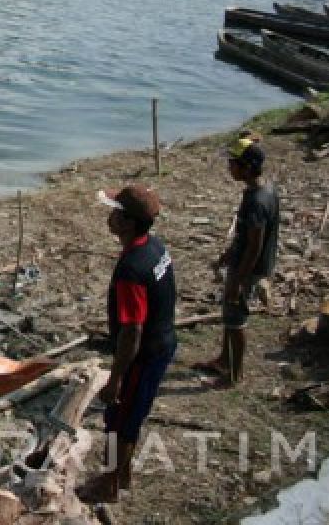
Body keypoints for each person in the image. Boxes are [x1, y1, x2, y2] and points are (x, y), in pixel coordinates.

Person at [80, 184, 177, 504]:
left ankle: (107, 485)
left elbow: (132, 330)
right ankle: (123, 476)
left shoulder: (131, 270)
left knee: (116, 421)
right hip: (162, 344)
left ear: (129, 223)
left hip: (143, 354)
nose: (110, 216)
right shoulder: (155, 247)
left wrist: (116, 379)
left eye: (117, 213)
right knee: (133, 417)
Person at [194, 137, 279, 387]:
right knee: (230, 317)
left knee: (236, 320)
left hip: (248, 268)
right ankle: (223, 359)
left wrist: (238, 281)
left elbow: (254, 246)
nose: (229, 168)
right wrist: (228, 255)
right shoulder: (264, 190)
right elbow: (245, 236)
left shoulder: (256, 202)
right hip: (242, 262)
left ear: (248, 167)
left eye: (233, 164)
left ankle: (233, 376)